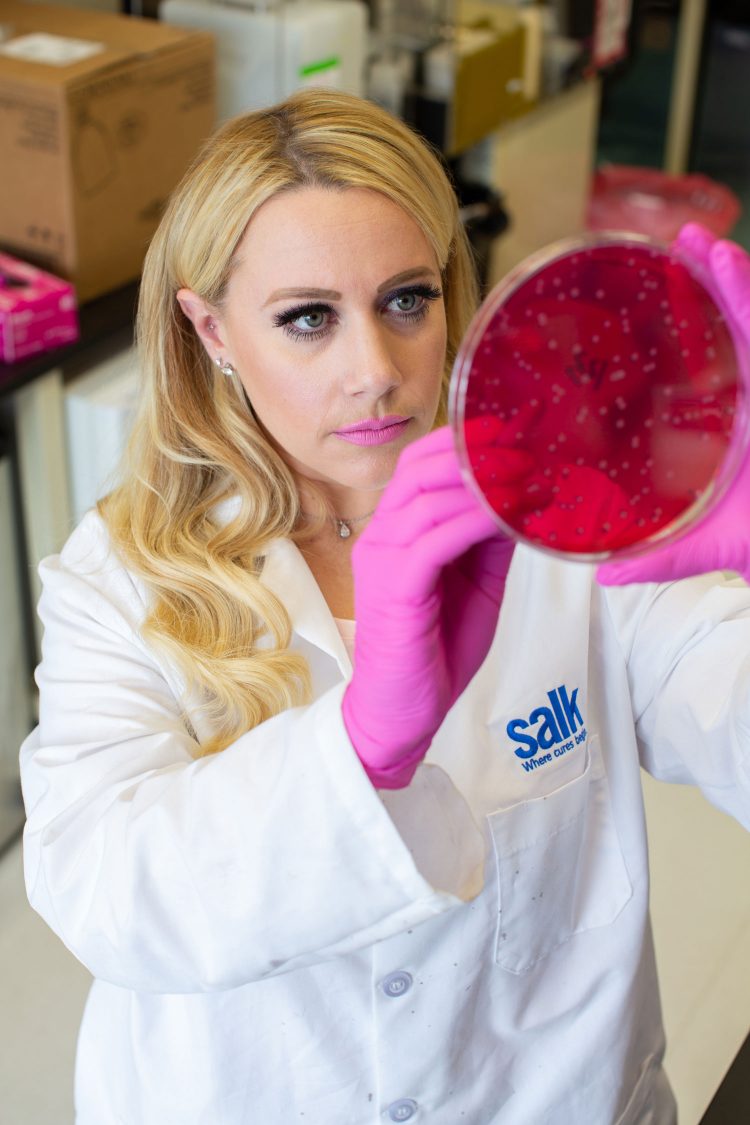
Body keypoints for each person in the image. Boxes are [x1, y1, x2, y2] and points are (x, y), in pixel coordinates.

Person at [18, 87, 750, 1125]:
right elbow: (108, 899)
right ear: (211, 329)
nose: (375, 371)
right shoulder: (121, 578)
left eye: (406, 300)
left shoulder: (571, 510)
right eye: (307, 318)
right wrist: (363, 745)